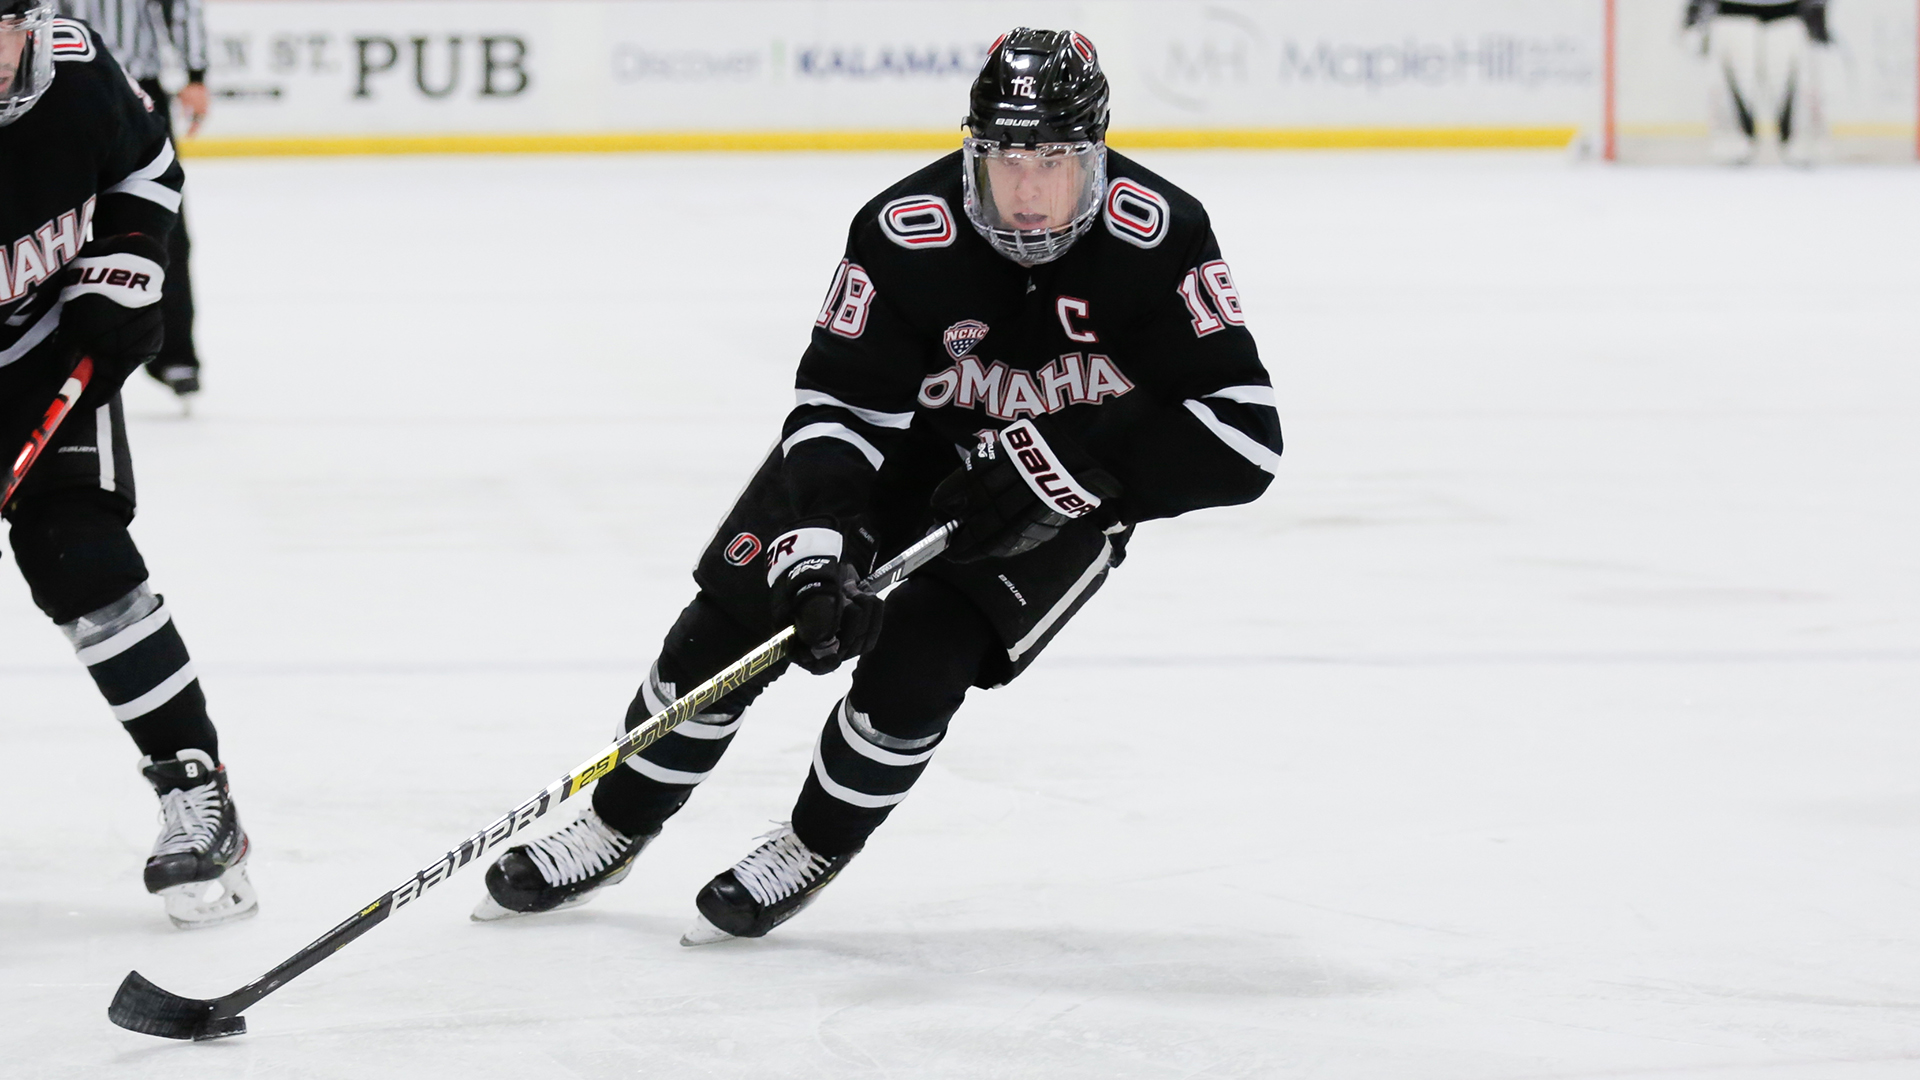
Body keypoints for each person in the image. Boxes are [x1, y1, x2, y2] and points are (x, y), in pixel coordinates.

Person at [471, 27, 1283, 943]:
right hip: (904, 460)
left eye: (1052, 164)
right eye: (1005, 160)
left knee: (916, 670)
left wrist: (1064, 472)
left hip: (1069, 488)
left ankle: (814, 843)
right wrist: (822, 548)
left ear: (1095, 157)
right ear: (973, 148)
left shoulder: (1158, 236)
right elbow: (839, 404)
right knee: (730, 626)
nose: (1025, 193)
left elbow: (1243, 438)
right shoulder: (906, 231)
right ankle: (614, 822)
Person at [2, 0, 255, 928]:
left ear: (30, 22)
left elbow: (146, 167)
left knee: (83, 560)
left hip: (46, 354)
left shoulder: (76, 68)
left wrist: (131, 261)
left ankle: (197, 789)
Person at [55, 0, 205, 398]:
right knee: (50, 222)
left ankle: (174, 354)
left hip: (138, 90)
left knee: (159, 222)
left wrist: (195, 73)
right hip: (55, 87)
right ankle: (44, 350)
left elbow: (183, 6)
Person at [1684, 0, 1829, 164]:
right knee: (1729, 108)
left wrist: (1816, 9)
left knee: (1801, 107)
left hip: (1790, 15)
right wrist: (1695, 12)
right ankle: (1732, 150)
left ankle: (1803, 149)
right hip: (1729, 15)